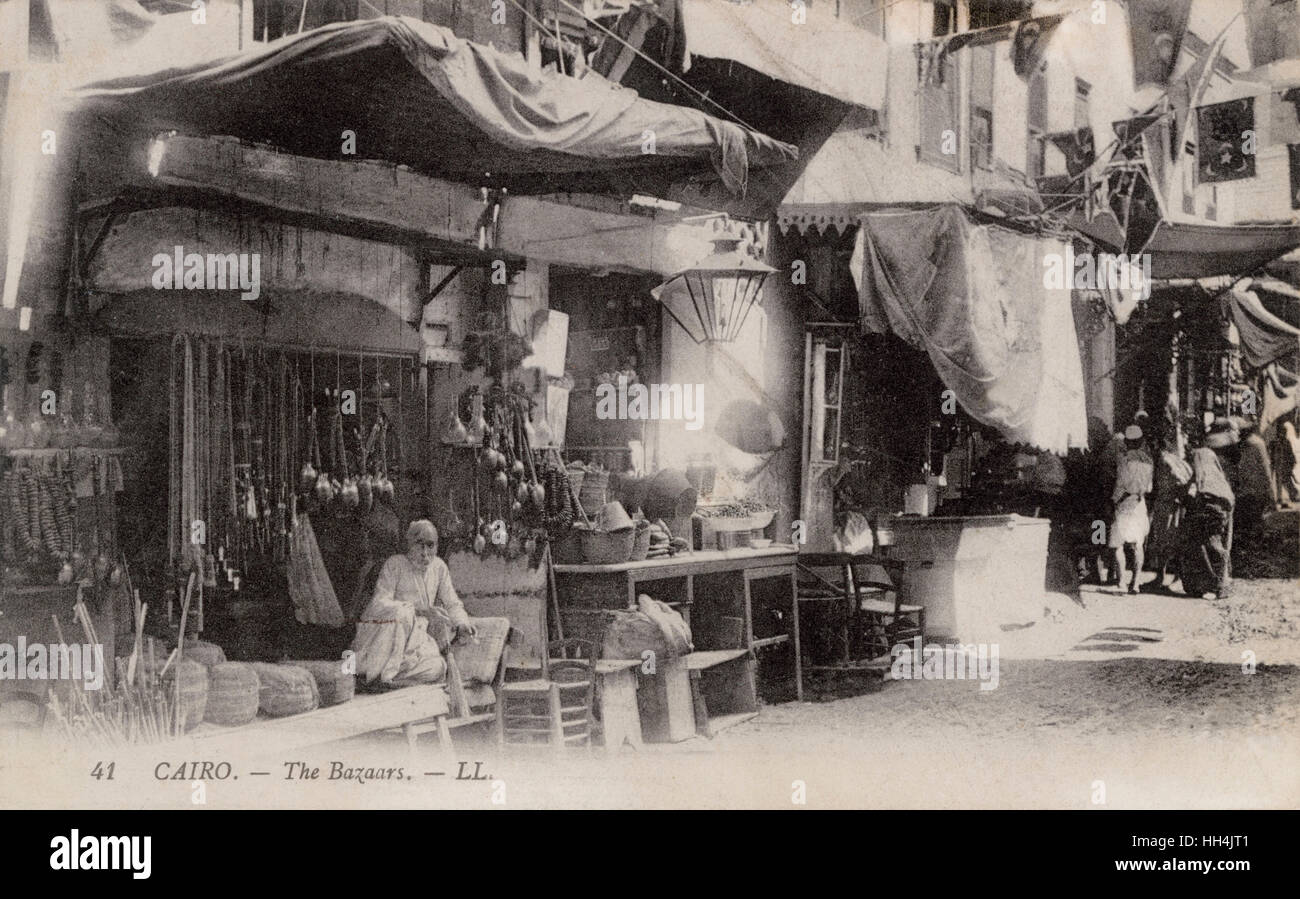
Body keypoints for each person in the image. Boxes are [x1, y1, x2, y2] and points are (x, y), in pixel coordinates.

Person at [350, 520, 476, 689]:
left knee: (438, 667)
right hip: (390, 636)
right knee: (402, 614)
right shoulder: (395, 564)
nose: (425, 553)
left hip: (417, 641)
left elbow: (452, 603)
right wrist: (419, 611)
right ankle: (382, 674)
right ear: (409, 545)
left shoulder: (439, 567)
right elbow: (378, 604)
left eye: (430, 546)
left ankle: (388, 679)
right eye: (419, 545)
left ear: (437, 546)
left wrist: (462, 624)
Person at [1182, 429, 1236, 598]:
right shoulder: (1212, 459)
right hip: (1224, 502)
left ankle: (1218, 585)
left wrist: (1186, 495)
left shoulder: (1198, 454)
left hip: (1210, 503)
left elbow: (1197, 480)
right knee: (1212, 541)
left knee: (1211, 543)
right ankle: (1214, 583)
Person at [1147, 421, 1193, 592]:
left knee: (1166, 541)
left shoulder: (1166, 459)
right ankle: (1165, 576)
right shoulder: (1177, 460)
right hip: (1170, 504)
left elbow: (1180, 481)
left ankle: (1169, 576)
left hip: (1168, 505)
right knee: (1166, 541)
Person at [1109, 424, 1154, 594]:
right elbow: (1149, 487)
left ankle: (1121, 583)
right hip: (1140, 502)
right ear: (1141, 441)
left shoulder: (1124, 459)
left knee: (1118, 544)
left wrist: (1115, 500)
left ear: (1127, 442)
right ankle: (1135, 584)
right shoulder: (1149, 460)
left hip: (1124, 502)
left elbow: (1120, 483)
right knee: (1137, 544)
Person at [1234, 419, 1274, 539]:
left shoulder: (1241, 444)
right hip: (1257, 485)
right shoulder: (1257, 443)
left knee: (1250, 516)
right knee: (1256, 515)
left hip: (1246, 485)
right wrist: (1269, 487)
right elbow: (1265, 466)